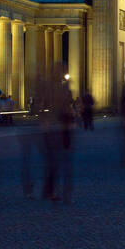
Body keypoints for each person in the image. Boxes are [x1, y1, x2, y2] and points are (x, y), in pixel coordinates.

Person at [33, 63, 76, 202]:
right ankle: (55, 191)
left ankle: (53, 190)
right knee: (57, 161)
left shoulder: (61, 87)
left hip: (59, 127)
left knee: (58, 161)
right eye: (61, 71)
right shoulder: (54, 87)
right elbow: (39, 105)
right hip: (55, 127)